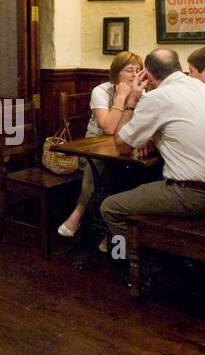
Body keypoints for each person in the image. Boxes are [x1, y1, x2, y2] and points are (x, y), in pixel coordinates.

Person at [99, 48, 205, 242]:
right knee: (145, 184)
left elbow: (122, 146)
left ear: (148, 75)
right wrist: (153, 139)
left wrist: (132, 101)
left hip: (193, 196)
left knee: (110, 207)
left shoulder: (157, 97)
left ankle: (147, 261)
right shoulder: (199, 86)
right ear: (179, 68)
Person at [58, 51, 142, 238]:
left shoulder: (140, 92)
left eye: (138, 70)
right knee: (98, 164)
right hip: (93, 148)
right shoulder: (102, 91)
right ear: (116, 73)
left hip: (125, 148)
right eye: (129, 70)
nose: (135, 75)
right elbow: (109, 128)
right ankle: (80, 213)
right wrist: (122, 97)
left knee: (134, 171)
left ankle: (113, 231)